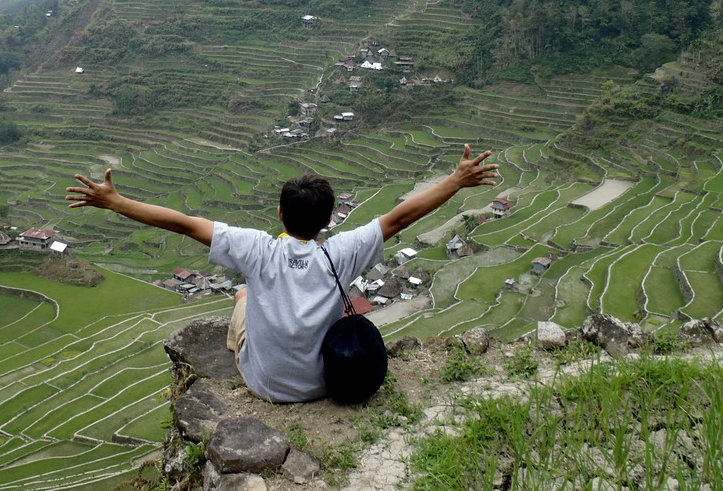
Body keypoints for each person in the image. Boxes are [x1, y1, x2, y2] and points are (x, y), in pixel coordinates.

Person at [65, 144, 500, 403]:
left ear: (278, 214)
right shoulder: (343, 251)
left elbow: (182, 222)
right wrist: (456, 180)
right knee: (250, 296)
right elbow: (400, 218)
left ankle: (241, 304)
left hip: (265, 386)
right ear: (328, 221)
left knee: (243, 296)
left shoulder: (256, 250)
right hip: (324, 383)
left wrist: (117, 202)